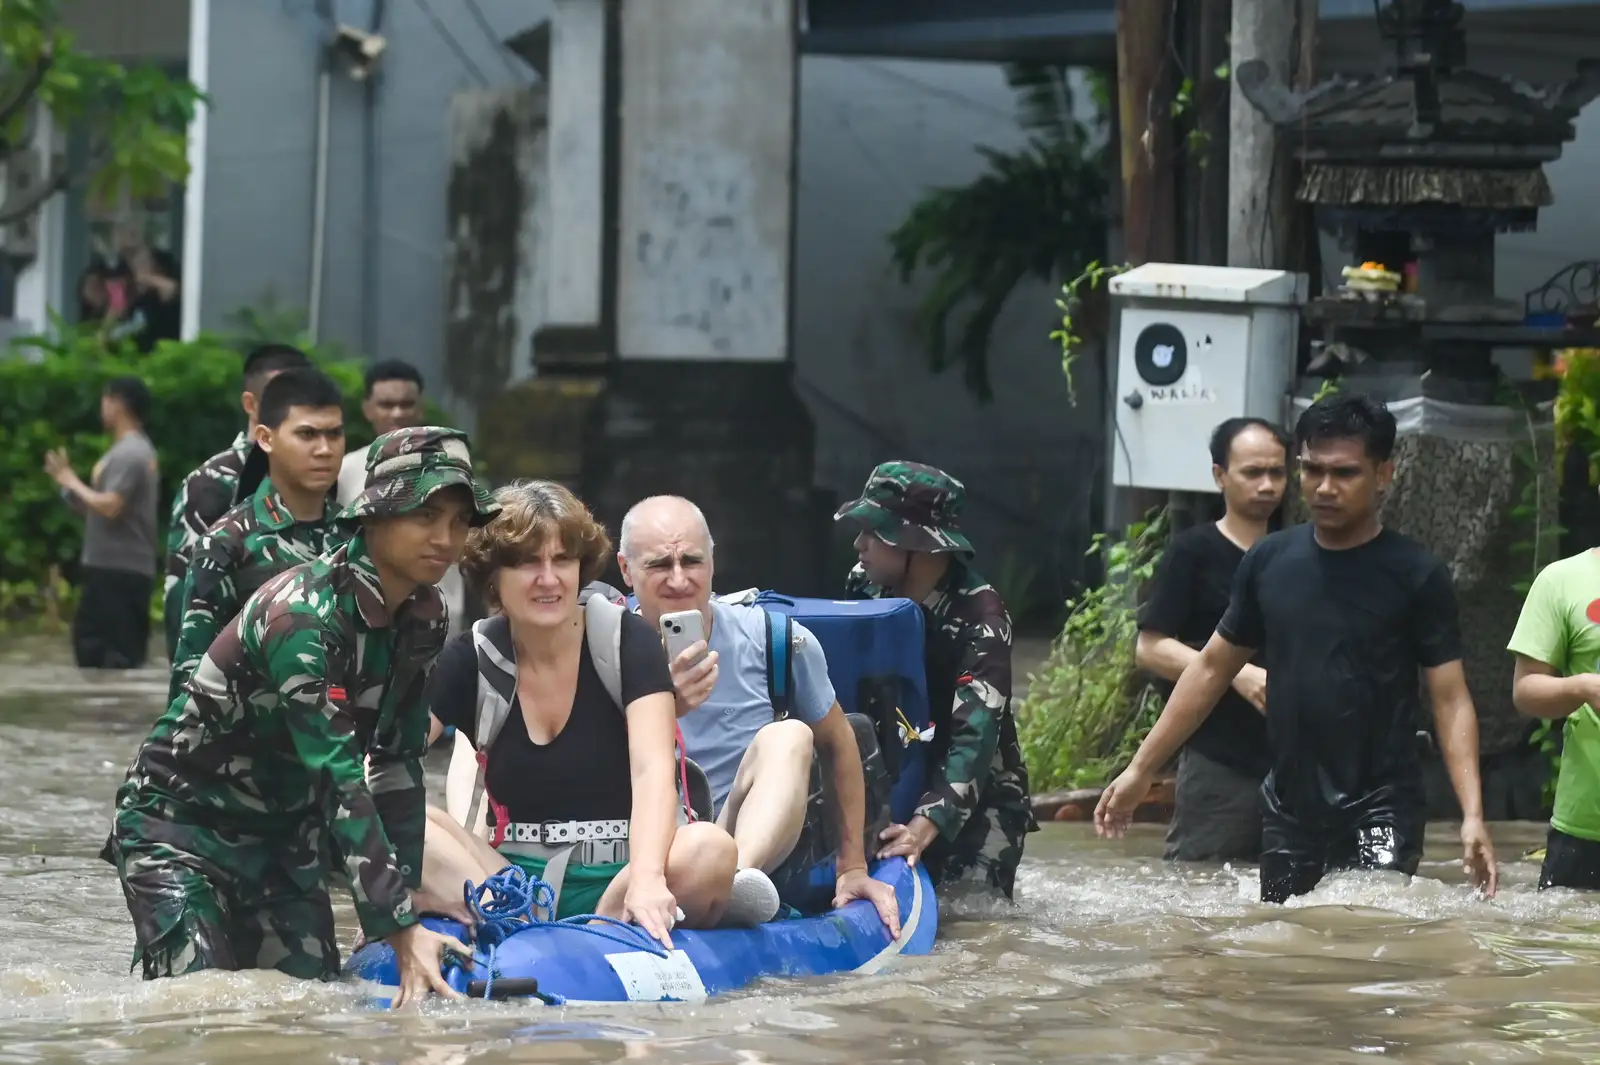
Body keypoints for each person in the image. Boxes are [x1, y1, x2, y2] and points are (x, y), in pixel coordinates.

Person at [102, 427, 500, 1008]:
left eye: (460, 521)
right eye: (426, 515)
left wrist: (404, 899)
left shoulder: (426, 613)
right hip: (181, 829)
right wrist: (393, 922)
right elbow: (340, 776)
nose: (445, 538)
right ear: (375, 515)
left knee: (308, 1008)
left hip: (286, 836)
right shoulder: (301, 617)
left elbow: (397, 761)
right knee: (199, 1006)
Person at [1095, 393, 1499, 902]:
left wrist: (1473, 816)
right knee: (1284, 942)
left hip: (1382, 803)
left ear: (1383, 474)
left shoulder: (1416, 574)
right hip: (1290, 806)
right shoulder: (1269, 562)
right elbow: (1211, 669)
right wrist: (1141, 769)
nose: (1324, 488)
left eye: (1345, 473)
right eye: (1312, 470)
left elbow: (1449, 697)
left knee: (1370, 934)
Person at [419, 481, 739, 946]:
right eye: (529, 562)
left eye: (562, 560)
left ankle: (602, 928)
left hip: (622, 872)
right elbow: (387, 759)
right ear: (493, 577)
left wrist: (647, 878)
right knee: (400, 815)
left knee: (710, 849)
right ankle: (517, 926)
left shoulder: (629, 642)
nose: (549, 579)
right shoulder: (470, 657)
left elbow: (652, 770)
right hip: (510, 883)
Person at [618, 495, 901, 934]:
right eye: (659, 565)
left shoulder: (777, 641)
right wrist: (661, 702)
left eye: (692, 561)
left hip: (738, 839)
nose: (679, 580)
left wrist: (853, 867)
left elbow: (839, 741)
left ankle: (734, 886)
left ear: (714, 562)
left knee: (789, 736)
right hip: (647, 847)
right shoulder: (598, 649)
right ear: (625, 570)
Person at [835, 461, 1038, 900]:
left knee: (971, 924)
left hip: (978, 799)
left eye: (875, 532)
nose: (859, 544)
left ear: (918, 544)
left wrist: (922, 829)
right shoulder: (865, 587)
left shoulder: (981, 620)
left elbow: (974, 740)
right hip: (896, 769)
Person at [1135, 418, 1290, 863]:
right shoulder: (1193, 552)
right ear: (1220, 475)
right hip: (1218, 758)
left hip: (1295, 759)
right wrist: (1236, 675)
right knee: (1197, 896)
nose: (1266, 485)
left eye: (1276, 473)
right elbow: (1150, 647)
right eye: (1252, 472)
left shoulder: (1299, 552)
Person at [168, 367, 348, 703]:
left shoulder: (356, 538)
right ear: (265, 438)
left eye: (334, 434)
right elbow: (191, 675)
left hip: (338, 743)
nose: (325, 449)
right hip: (251, 744)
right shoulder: (227, 543)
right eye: (308, 435)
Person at [162, 343, 313, 659]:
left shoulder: (323, 477)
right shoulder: (213, 483)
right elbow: (185, 599)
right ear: (250, 403)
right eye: (279, 398)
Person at [335, 360, 466, 638]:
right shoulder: (344, 470)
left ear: (420, 407)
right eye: (386, 404)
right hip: (365, 616)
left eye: (406, 404)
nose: (397, 413)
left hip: (441, 616)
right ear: (367, 409)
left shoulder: (450, 468)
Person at [44, 375, 160, 669]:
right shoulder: (121, 451)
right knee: (92, 654)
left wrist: (72, 481)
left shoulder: (132, 452)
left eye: (105, 400)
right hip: (106, 569)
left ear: (117, 403)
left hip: (121, 572)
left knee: (116, 659)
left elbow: (110, 506)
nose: (102, 408)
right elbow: (98, 509)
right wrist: (69, 489)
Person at [1507, 533, 1600, 890]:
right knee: (1570, 940)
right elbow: (1526, 690)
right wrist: (1583, 687)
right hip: (1585, 826)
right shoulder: (1561, 579)